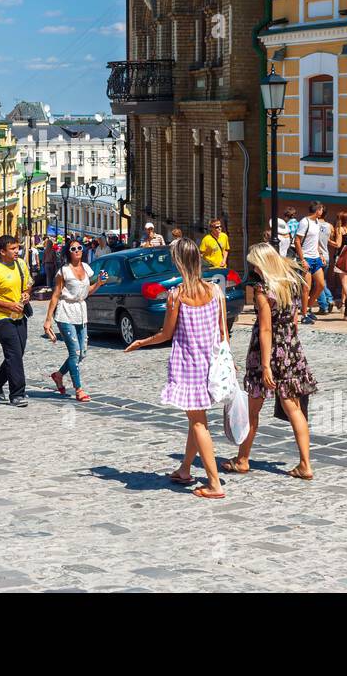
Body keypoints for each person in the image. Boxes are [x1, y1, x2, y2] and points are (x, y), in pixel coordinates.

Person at [124, 237, 228, 499]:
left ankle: (214, 483)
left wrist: (142, 341)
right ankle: (184, 469)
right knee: (196, 419)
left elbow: (166, 334)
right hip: (210, 364)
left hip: (188, 366)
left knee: (198, 424)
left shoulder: (177, 295)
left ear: (179, 262)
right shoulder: (216, 292)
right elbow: (223, 333)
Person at [221, 243, 317, 480]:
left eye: (253, 263)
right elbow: (294, 320)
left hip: (267, 352)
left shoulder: (264, 289)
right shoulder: (291, 284)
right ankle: (306, 464)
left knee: (254, 409)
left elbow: (265, 329)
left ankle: (243, 459)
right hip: (290, 348)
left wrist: (265, 366)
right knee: (294, 408)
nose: (252, 267)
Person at [43, 239, 104, 403]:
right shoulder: (64, 271)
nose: (77, 250)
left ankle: (58, 375)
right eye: (73, 248)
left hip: (81, 312)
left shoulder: (87, 268)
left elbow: (86, 291)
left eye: (79, 248)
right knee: (75, 352)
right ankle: (79, 389)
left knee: (82, 353)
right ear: (68, 252)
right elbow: (56, 294)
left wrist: (98, 283)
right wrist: (48, 319)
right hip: (65, 312)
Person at [0, 236, 33, 407]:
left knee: (17, 353)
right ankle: (17, 394)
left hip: (19, 315)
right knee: (14, 354)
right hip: (2, 318)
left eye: (17, 248)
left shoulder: (21, 264)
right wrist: (8, 305)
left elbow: (28, 284)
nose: (17, 251)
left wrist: (26, 293)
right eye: (13, 249)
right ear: (2, 252)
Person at [294, 202, 328, 324]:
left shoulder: (317, 222)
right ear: (317, 210)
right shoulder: (305, 222)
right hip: (306, 257)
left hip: (316, 257)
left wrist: (320, 254)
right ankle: (304, 315)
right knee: (306, 288)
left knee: (320, 285)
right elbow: (297, 240)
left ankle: (308, 307)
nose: (323, 211)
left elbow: (315, 241)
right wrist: (302, 259)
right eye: (322, 209)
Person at [329, 211, 347, 312]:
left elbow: (338, 244)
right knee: (346, 281)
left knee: (344, 283)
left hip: (341, 257)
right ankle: (343, 303)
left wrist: (328, 241)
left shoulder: (340, 229)